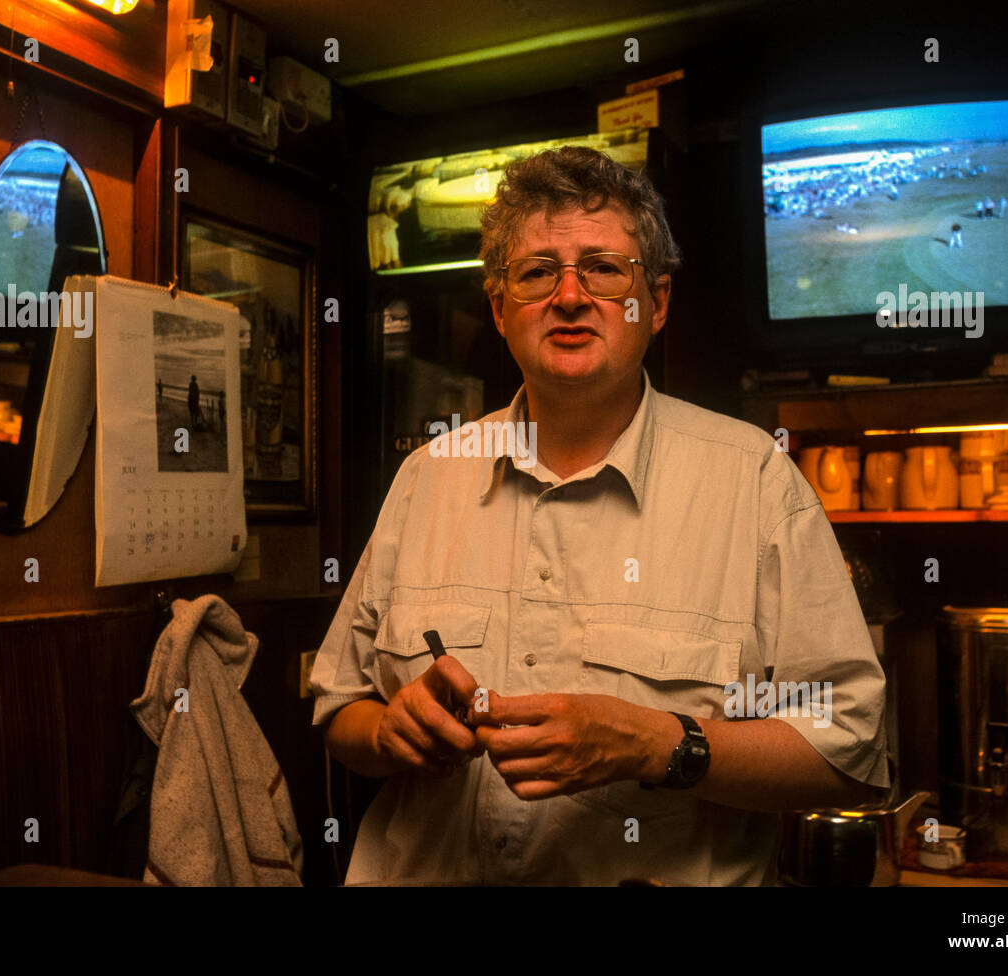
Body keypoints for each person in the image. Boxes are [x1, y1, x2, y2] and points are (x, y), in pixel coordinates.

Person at [310, 146, 889, 886]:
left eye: (605, 268)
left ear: (658, 301)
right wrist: (391, 732)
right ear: (499, 308)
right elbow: (339, 711)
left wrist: (657, 745)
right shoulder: (427, 477)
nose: (571, 295)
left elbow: (849, 749)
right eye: (537, 272)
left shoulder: (755, 482)